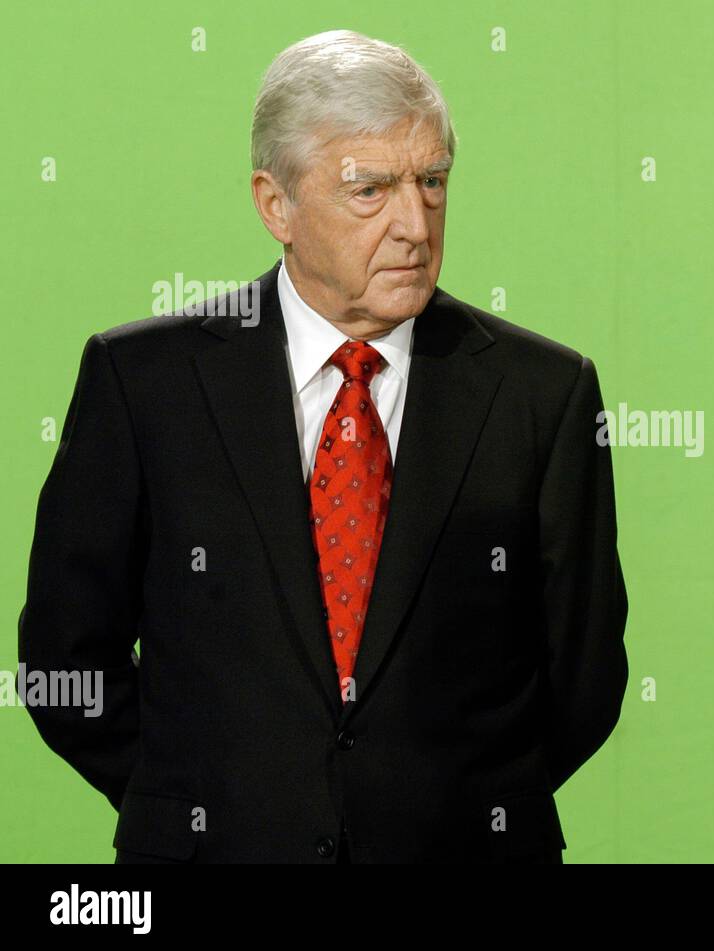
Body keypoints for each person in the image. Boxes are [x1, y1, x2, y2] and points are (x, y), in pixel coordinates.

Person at [17, 29, 629, 863]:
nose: (416, 224)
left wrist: (445, 811)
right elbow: (65, 659)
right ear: (277, 204)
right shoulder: (143, 382)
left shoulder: (543, 394)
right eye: (370, 190)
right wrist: (197, 804)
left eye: (433, 182)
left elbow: (583, 682)